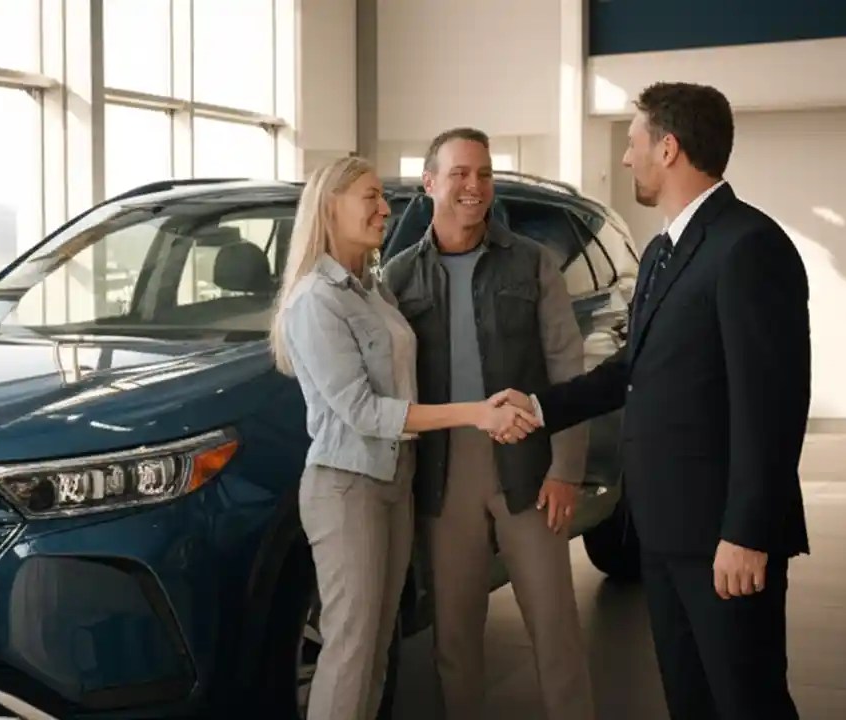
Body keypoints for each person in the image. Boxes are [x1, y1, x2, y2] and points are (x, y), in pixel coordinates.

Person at [496, 82, 811, 720]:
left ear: (668, 149)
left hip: (723, 540)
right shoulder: (665, 250)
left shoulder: (748, 246)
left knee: (748, 703)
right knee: (690, 701)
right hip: (665, 531)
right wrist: (540, 405)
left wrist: (746, 532)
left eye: (634, 142)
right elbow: (633, 371)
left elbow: (772, 406)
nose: (626, 157)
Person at [270, 155, 541, 720]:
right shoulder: (315, 301)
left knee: (375, 653)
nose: (384, 210)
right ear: (329, 205)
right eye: (369, 197)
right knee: (350, 651)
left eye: (382, 198)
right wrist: (475, 413)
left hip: (392, 482)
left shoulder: (371, 289)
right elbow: (364, 412)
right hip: (348, 489)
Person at [379, 128, 596, 720]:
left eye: (483, 174)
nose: (474, 187)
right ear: (430, 184)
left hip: (529, 467)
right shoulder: (397, 278)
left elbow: (566, 367)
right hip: (444, 474)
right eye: (459, 174)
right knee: (454, 637)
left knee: (555, 627)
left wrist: (566, 469)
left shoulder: (532, 262)